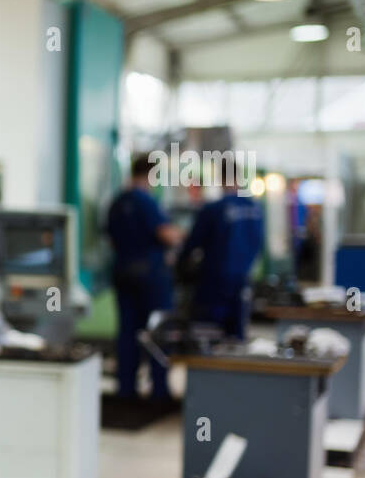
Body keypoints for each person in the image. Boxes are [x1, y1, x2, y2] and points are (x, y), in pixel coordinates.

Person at [106, 156, 181, 400]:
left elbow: (110, 238)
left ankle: (126, 389)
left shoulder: (116, 202)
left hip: (123, 272)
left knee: (127, 332)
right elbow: (167, 236)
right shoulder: (147, 202)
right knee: (158, 332)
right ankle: (159, 390)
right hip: (151, 277)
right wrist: (181, 236)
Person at [179, 180, 264, 338]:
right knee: (237, 332)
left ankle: (208, 362)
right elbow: (259, 242)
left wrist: (180, 264)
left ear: (222, 180)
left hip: (215, 281)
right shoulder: (255, 208)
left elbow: (192, 243)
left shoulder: (214, 209)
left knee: (207, 333)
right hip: (243, 278)